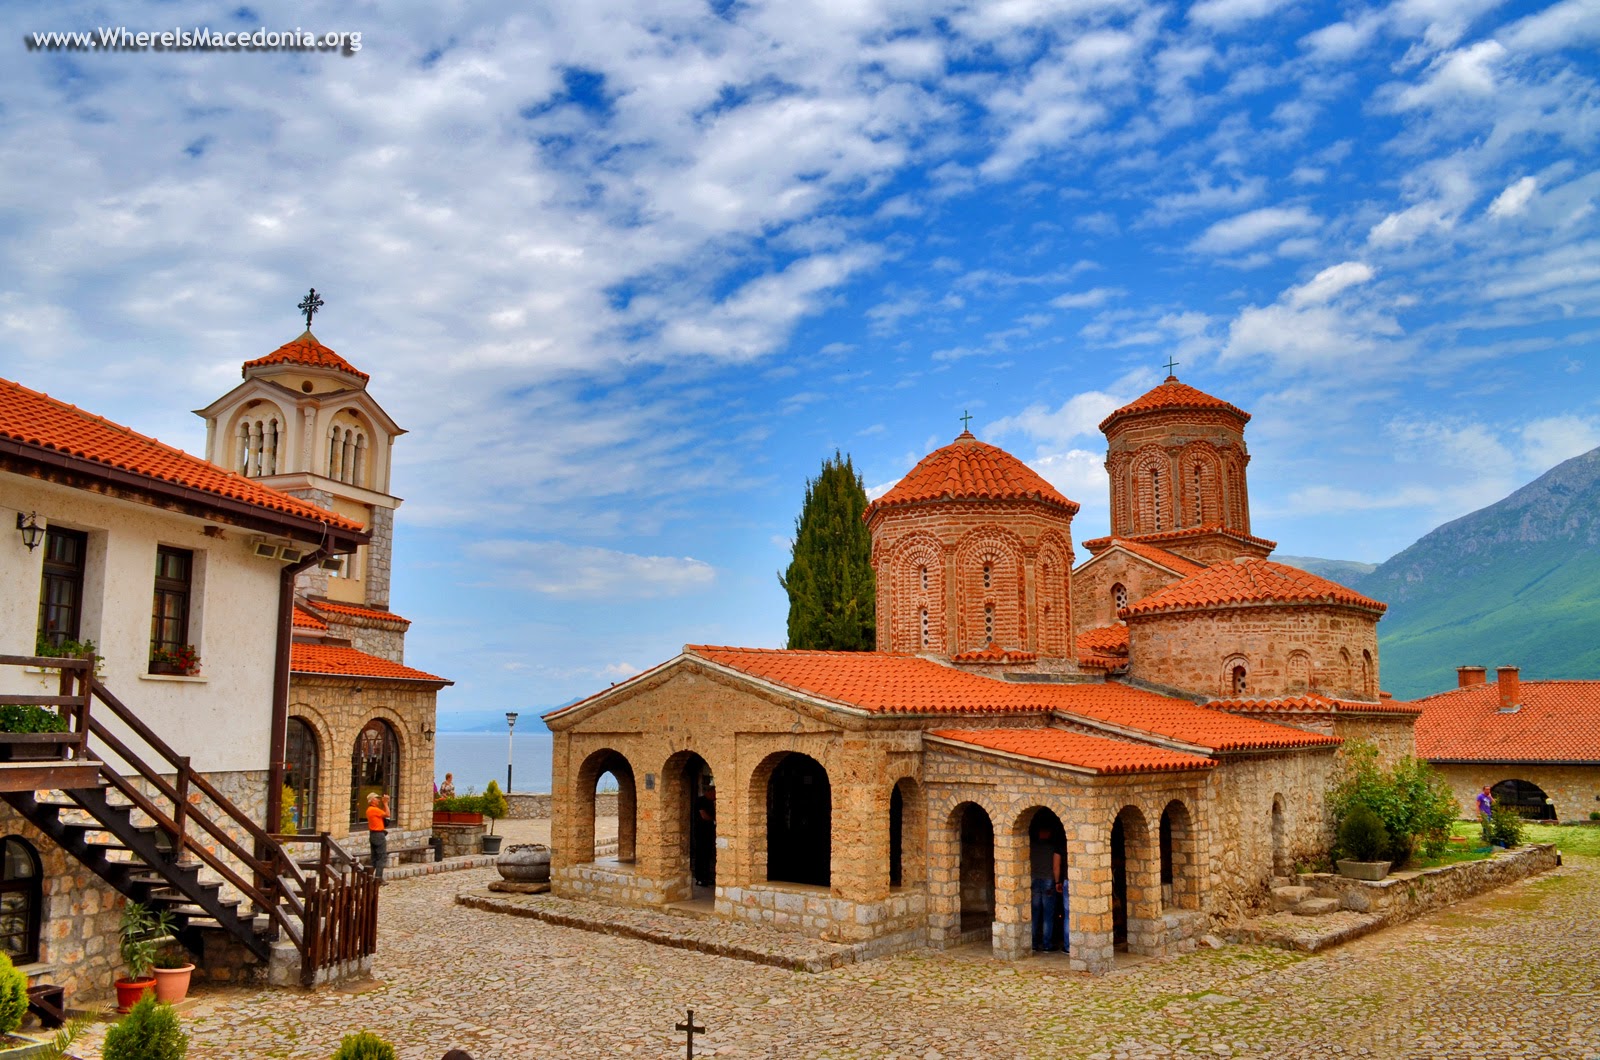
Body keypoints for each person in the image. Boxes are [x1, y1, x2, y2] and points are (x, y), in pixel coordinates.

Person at [1030, 821, 1063, 953]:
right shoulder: (1052, 847)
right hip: (1048, 881)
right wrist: (1057, 882)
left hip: (1034, 880)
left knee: (1035, 913)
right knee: (1048, 915)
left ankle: (1033, 943)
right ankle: (1046, 944)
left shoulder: (1032, 846)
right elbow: (1056, 867)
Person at [692, 796, 716, 887]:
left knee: (708, 855)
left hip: (709, 833)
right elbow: (704, 815)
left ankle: (707, 877)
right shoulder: (700, 801)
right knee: (700, 855)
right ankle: (700, 878)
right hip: (701, 833)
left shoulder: (711, 802)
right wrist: (713, 819)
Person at [366, 792, 391, 882]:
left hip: (373, 834)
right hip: (378, 835)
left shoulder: (371, 810)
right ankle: (378, 878)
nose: (378, 800)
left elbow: (383, 814)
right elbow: (387, 814)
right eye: (376, 798)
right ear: (372, 800)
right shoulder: (373, 810)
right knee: (382, 857)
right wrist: (386, 803)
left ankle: (369, 877)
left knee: (374, 858)